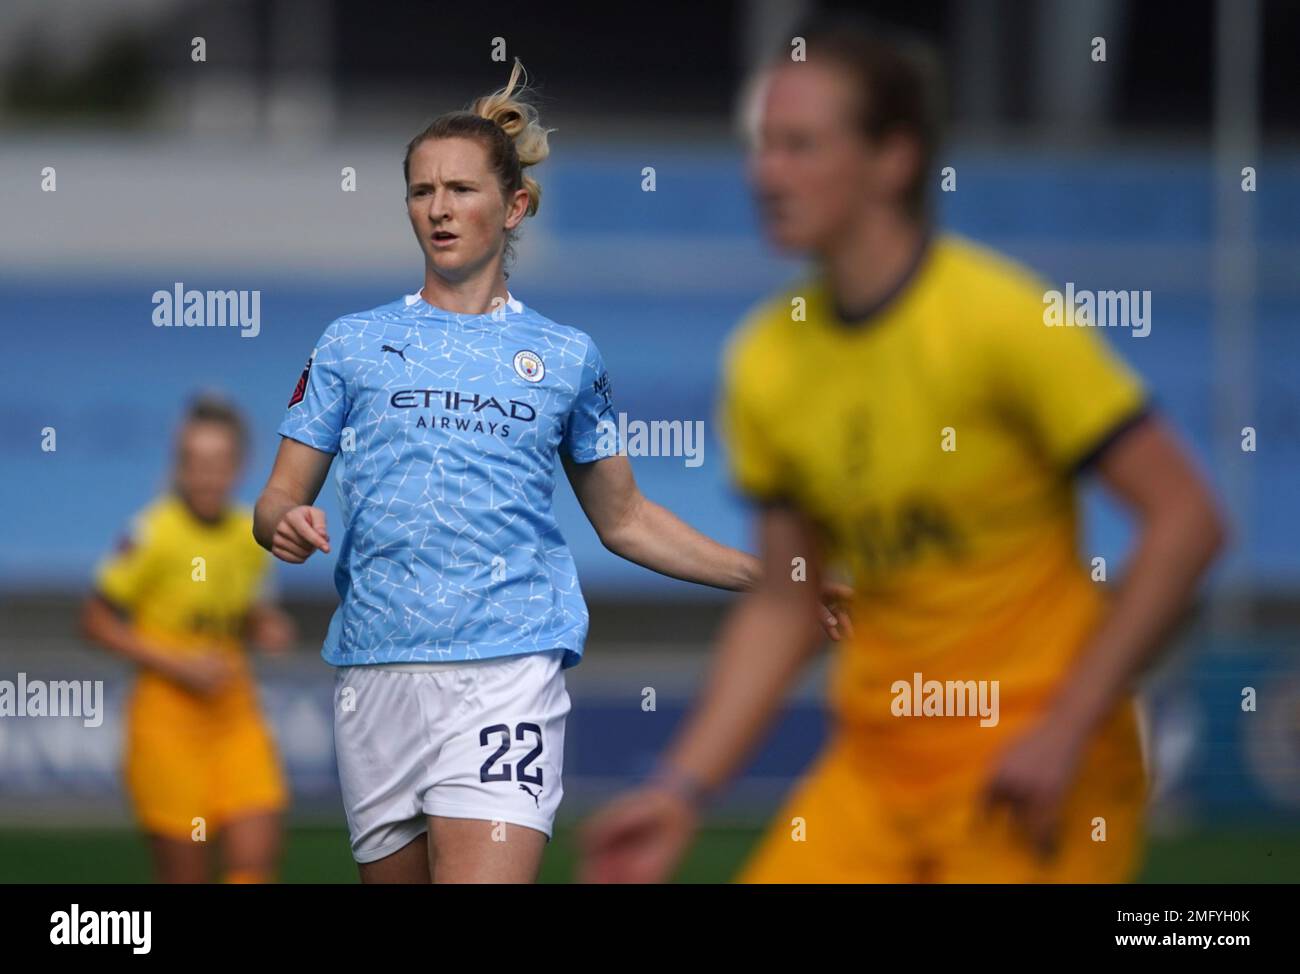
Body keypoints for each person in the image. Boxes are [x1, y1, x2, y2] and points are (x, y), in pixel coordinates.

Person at [579, 14, 1228, 884]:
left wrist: (1068, 726)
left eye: (800, 145)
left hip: (1033, 764)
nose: (765, 173)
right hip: (877, 767)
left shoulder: (1002, 321)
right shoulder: (768, 360)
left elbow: (1187, 520)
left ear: (895, 158)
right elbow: (785, 603)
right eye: (763, 145)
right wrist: (679, 790)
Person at [251, 60, 850, 885]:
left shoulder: (565, 359)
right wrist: (280, 520)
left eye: (461, 189)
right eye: (421, 191)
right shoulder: (352, 343)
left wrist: (778, 581)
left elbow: (628, 519)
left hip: (508, 673)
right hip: (375, 675)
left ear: (516, 205)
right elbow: (278, 496)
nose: (438, 209)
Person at [81, 393, 295, 883]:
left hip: (234, 717)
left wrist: (264, 626)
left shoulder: (249, 534)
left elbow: (245, 613)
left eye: (219, 463)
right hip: (167, 726)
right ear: (179, 467)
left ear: (239, 467)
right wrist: (177, 664)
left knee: (254, 859)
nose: (207, 476)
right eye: (195, 463)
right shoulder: (154, 533)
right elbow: (93, 619)